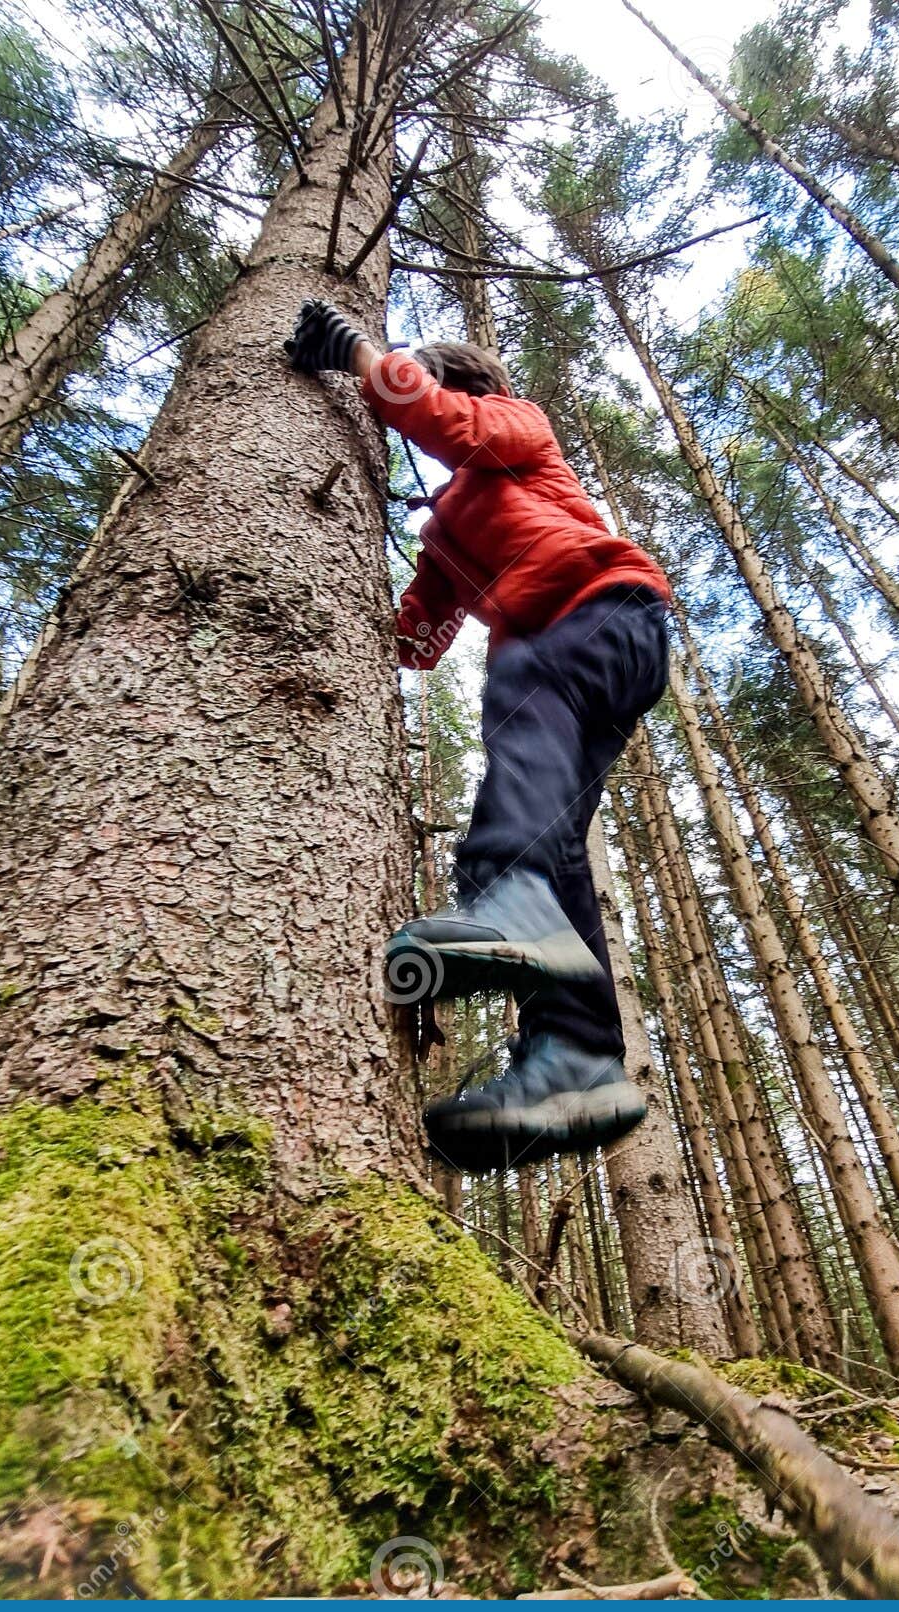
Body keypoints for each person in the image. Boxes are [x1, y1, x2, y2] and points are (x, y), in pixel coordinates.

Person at [285, 298, 672, 1173]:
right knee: (553, 840)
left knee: (518, 727)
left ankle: (507, 910)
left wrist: (355, 352)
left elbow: (452, 426)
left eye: (429, 381)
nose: (416, 399)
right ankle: (576, 1061)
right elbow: (419, 639)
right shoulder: (449, 526)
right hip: (577, 650)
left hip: (598, 613)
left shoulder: (515, 428)